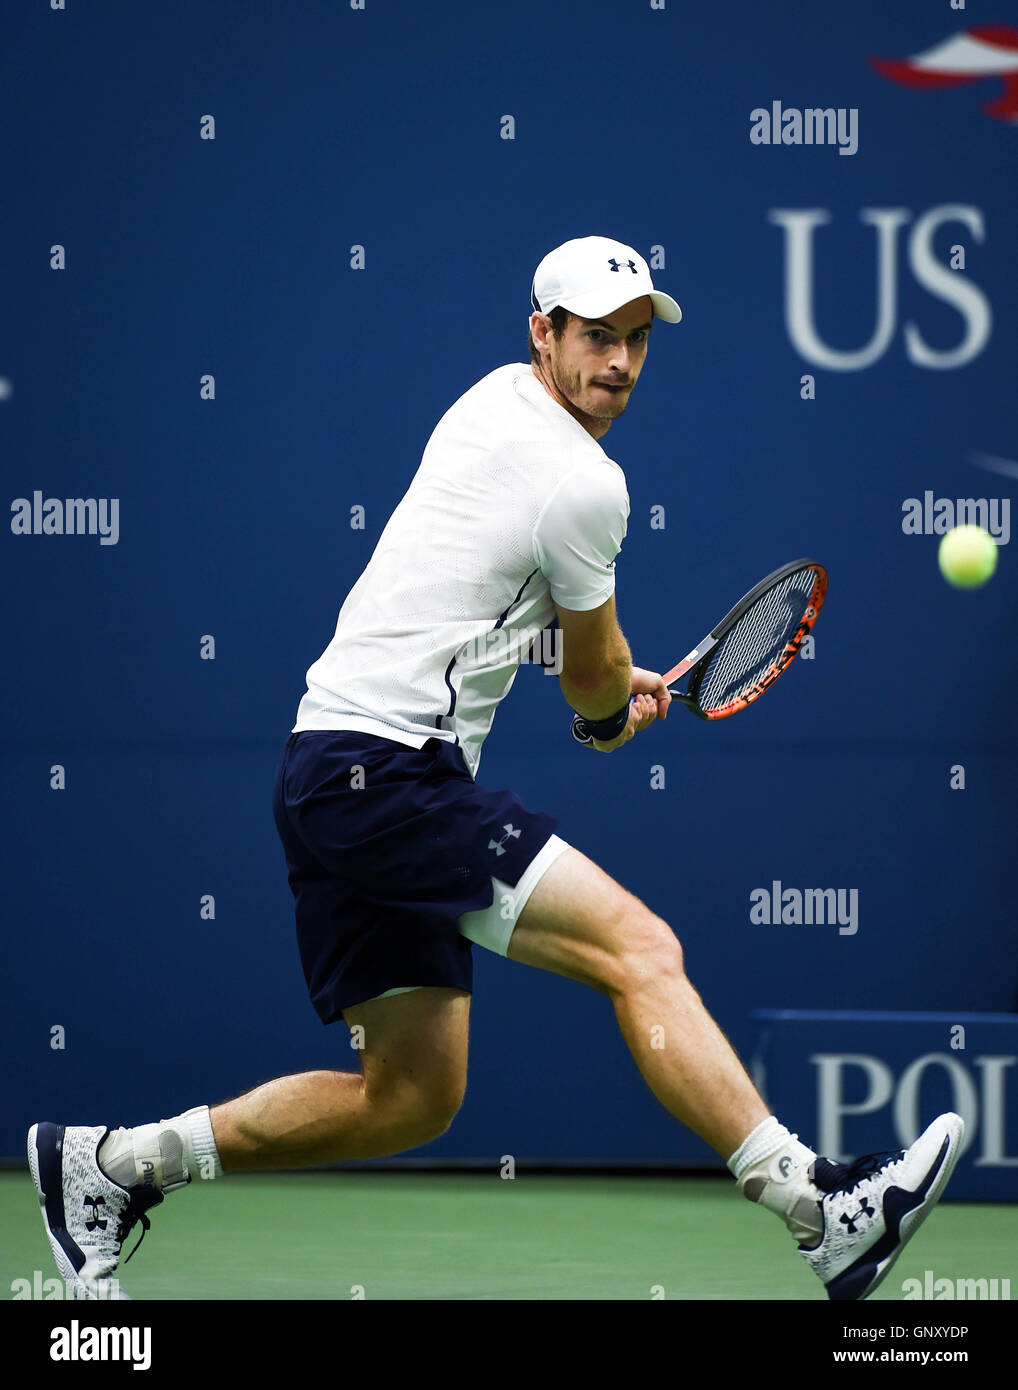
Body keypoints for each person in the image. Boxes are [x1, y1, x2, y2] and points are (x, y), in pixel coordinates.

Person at [29, 236, 963, 1302]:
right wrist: (608, 712)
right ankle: (819, 1206)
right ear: (545, 332)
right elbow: (588, 685)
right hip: (386, 776)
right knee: (639, 948)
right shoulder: (586, 484)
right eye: (596, 335)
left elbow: (476, 611)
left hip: (323, 765)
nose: (618, 360)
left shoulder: (491, 404)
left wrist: (602, 676)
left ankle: (107, 1167)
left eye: (637, 339)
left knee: (412, 1097)